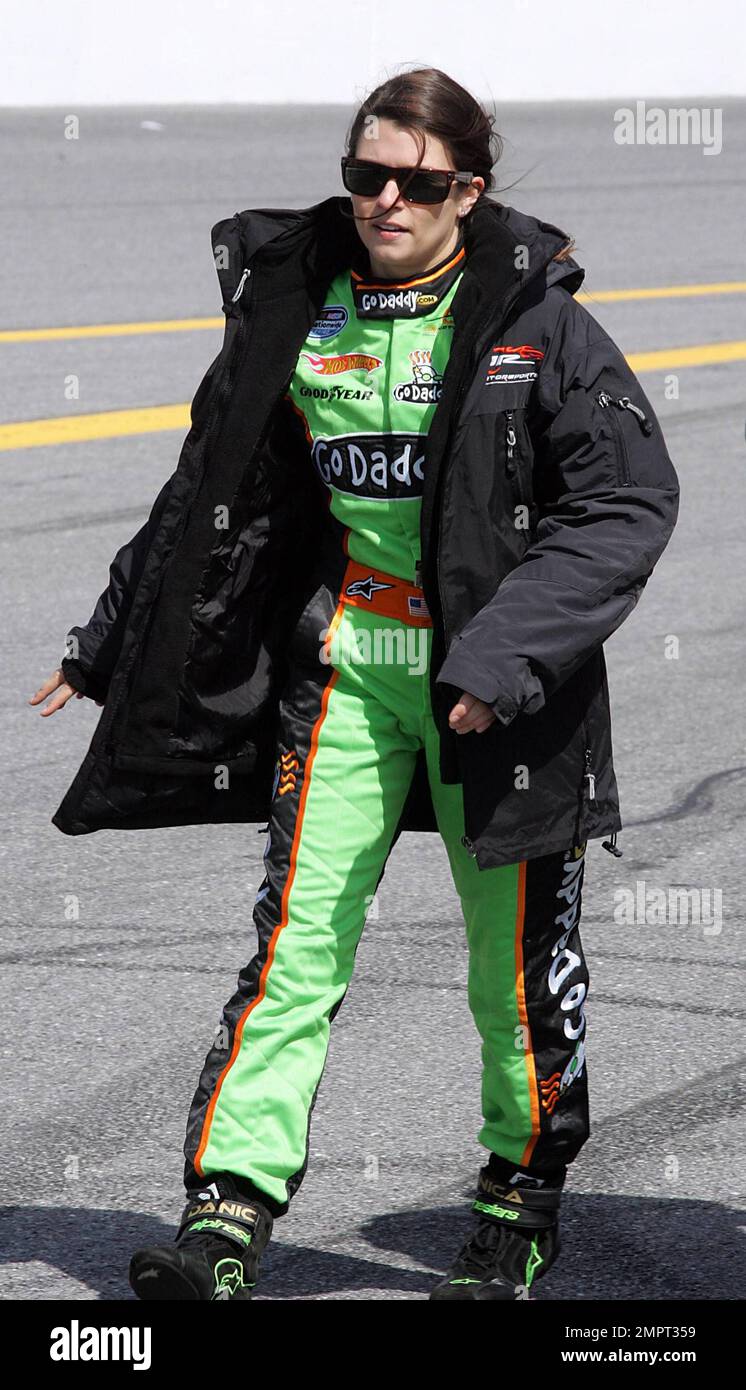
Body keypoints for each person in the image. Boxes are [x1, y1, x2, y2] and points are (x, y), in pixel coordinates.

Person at [32, 67, 680, 1301]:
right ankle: (226, 1214)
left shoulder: (536, 323)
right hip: (349, 671)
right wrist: (106, 639)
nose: (385, 198)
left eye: (417, 182)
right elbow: (208, 486)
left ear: (466, 190)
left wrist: (500, 659)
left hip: (499, 690)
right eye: (365, 174)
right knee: (294, 946)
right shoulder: (296, 305)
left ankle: (513, 1206)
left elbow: (622, 505)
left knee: (512, 965)